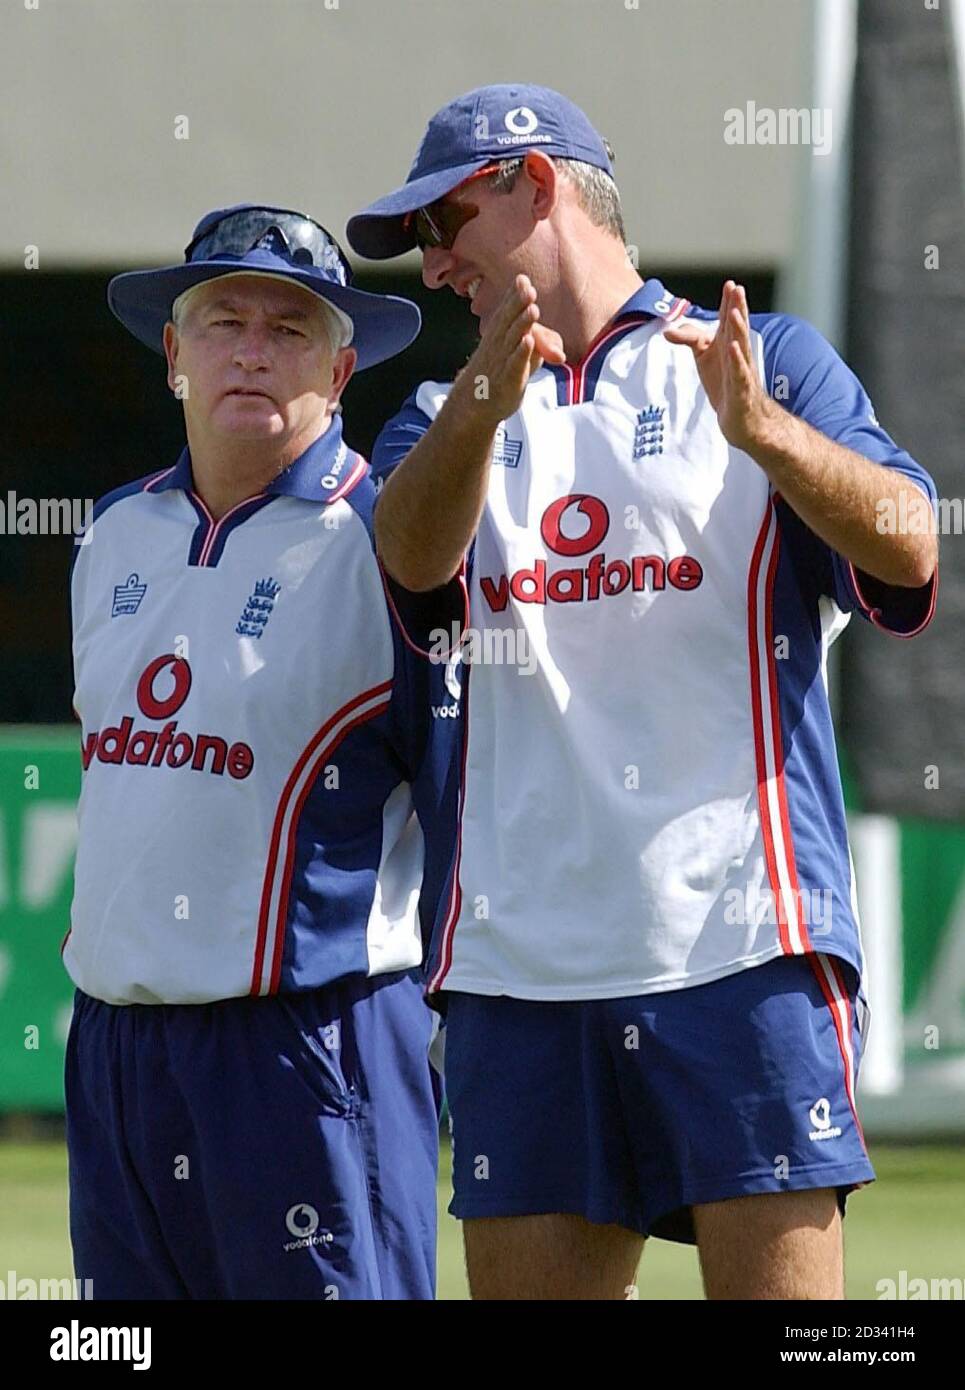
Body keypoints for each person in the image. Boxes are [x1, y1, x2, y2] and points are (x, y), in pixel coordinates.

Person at [346, 85, 940, 1300]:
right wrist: (479, 402)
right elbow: (407, 564)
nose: (435, 262)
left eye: (446, 220)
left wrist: (768, 438)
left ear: (537, 184)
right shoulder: (436, 414)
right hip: (517, 974)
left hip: (743, 947)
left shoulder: (762, 364)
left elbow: (910, 543)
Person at [65, 204, 464, 1300]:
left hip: (310, 1042)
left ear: (339, 373)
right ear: (173, 356)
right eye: (223, 320)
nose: (250, 349)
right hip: (116, 1056)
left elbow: (462, 800)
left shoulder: (391, 543)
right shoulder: (111, 534)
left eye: (289, 331)